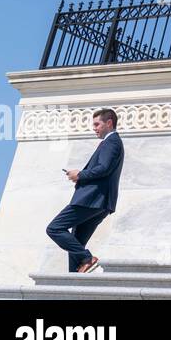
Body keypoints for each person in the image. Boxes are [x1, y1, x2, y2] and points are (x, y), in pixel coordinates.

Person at [46, 108, 124, 273]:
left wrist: (79, 174)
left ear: (109, 123)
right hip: (99, 202)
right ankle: (74, 279)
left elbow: (104, 168)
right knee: (76, 241)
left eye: (97, 124)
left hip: (91, 199)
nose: (94, 128)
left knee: (54, 228)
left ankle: (87, 257)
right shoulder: (111, 142)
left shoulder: (111, 142)